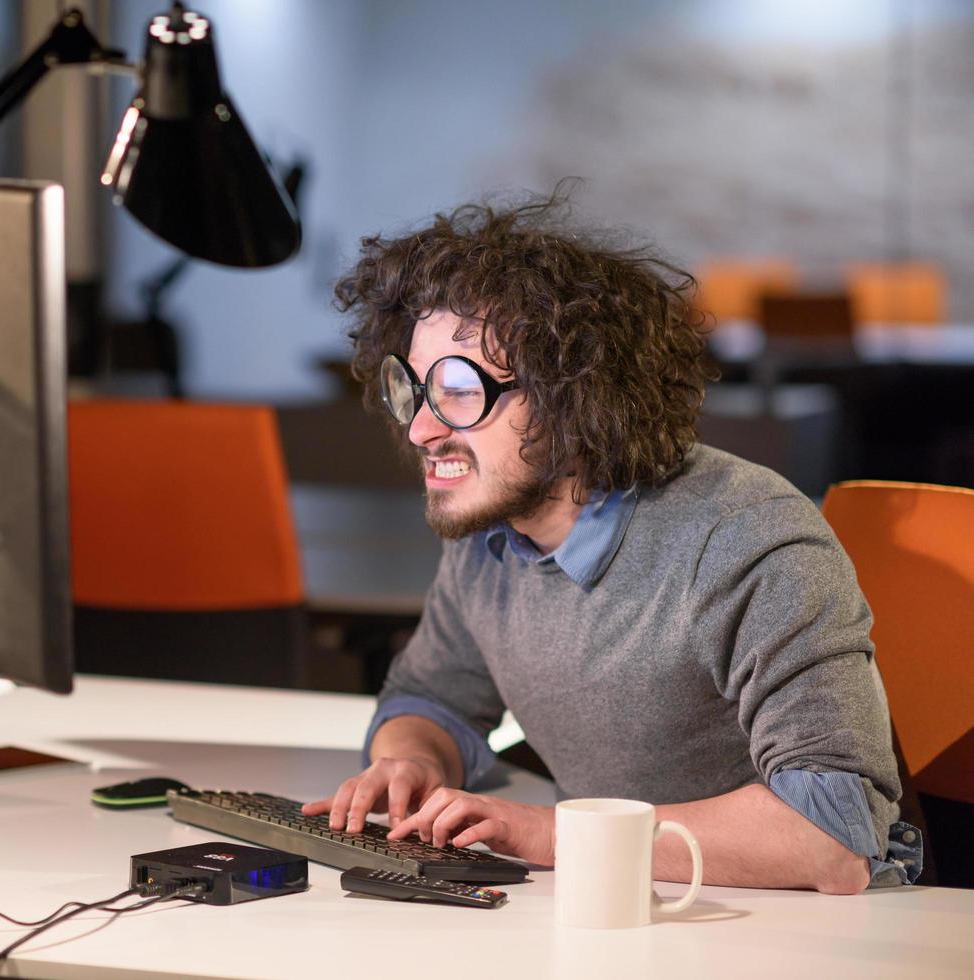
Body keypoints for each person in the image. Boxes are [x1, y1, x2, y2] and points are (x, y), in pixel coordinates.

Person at [302, 193, 921, 893]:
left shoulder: (746, 539)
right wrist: (410, 760)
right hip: (618, 910)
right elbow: (432, 697)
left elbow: (832, 835)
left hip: (785, 930)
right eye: (413, 389)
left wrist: (547, 833)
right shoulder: (490, 536)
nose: (419, 430)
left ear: (575, 398)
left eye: (458, 390)